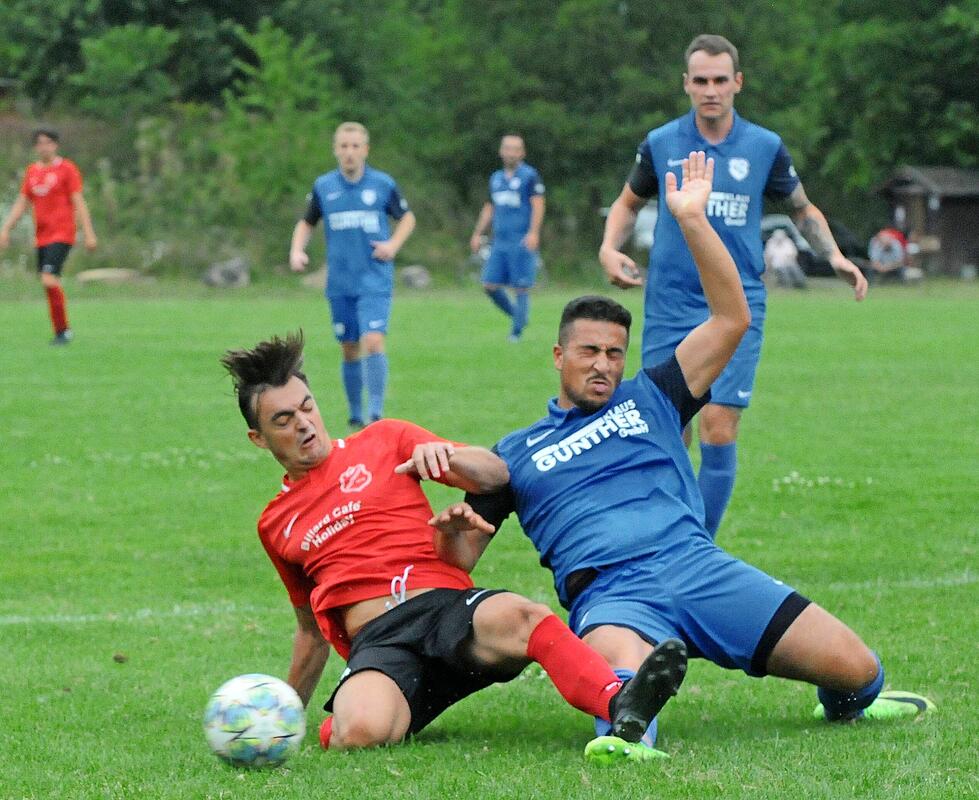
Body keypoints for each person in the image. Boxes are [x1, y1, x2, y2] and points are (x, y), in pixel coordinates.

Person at [437, 152, 933, 753]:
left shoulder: (655, 395)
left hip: (696, 566)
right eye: (588, 350)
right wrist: (449, 533)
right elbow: (456, 563)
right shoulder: (512, 455)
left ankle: (848, 698)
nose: (602, 364)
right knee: (623, 683)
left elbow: (732, 317)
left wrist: (693, 220)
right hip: (613, 594)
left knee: (859, 670)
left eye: (614, 353)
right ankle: (629, 723)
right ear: (558, 356)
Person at [219, 331, 686, 763]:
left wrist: (446, 455)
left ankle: (621, 705)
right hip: (381, 642)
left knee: (525, 615)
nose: (304, 424)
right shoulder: (275, 523)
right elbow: (310, 631)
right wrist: (284, 717)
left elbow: (497, 475)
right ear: (258, 439)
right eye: (284, 420)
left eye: (307, 407)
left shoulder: (385, 439)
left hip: (445, 609)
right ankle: (345, 717)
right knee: (361, 732)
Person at [599, 34, 869, 538]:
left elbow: (802, 209)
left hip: (737, 306)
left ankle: (697, 546)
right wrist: (610, 247)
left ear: (737, 83)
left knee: (718, 424)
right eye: (700, 80)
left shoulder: (764, 147)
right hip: (671, 305)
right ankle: (664, 538)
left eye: (720, 80)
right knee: (667, 429)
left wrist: (833, 255)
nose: (711, 90)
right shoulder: (661, 144)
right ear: (686, 84)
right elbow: (627, 204)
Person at [289, 122, 416, 429]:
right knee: (349, 347)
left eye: (355, 146)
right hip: (341, 282)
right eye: (343, 146)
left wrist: (392, 244)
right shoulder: (324, 187)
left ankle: (375, 411)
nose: (349, 152)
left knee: (372, 340)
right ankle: (355, 413)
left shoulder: (382, 184)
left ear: (365, 150)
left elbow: (407, 218)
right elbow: (307, 222)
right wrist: (297, 250)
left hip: (374, 279)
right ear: (336, 150)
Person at [0, 126, 97, 345]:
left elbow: (78, 202)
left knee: (48, 279)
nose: (44, 147)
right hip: (42, 236)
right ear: (36, 147)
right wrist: (6, 229)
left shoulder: (67, 169)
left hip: (62, 233)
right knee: (47, 282)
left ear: (55, 145)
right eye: (40, 143)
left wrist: (89, 233)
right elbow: (22, 203)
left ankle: (63, 331)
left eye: (48, 142)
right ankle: (60, 331)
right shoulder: (32, 172)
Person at [470, 134, 545, 342]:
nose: (511, 153)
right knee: (489, 285)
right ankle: (518, 316)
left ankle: (516, 333)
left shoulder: (530, 176)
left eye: (515, 149)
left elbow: (538, 204)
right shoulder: (496, 178)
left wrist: (534, 232)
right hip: (499, 241)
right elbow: (489, 207)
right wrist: (478, 233)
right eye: (507, 148)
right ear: (501, 151)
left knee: (520, 286)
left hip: (521, 239)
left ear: (522, 153)